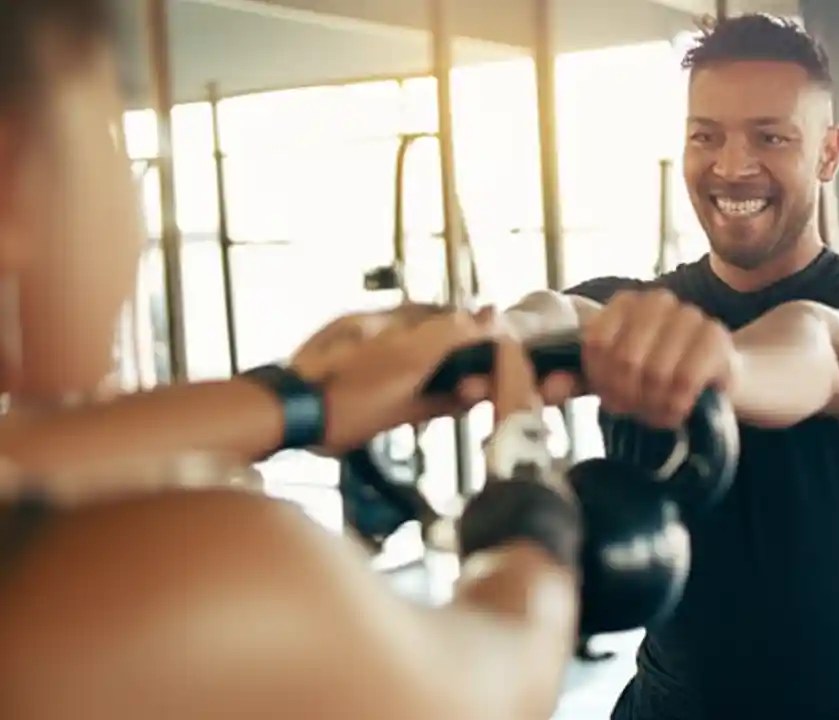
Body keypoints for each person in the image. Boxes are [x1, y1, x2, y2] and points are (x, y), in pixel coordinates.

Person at [0, 1, 584, 717]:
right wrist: (527, 473)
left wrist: (304, 398)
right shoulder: (191, 578)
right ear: (11, 170)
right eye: (108, 129)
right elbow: (503, 675)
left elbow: (25, 460)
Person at [503, 14, 839, 720]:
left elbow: (825, 351)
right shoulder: (631, 309)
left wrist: (717, 365)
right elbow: (556, 315)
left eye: (771, 137)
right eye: (705, 135)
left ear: (829, 152)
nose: (730, 166)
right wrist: (495, 334)